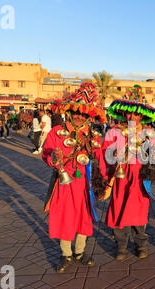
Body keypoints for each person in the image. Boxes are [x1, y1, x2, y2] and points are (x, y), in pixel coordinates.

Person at [42, 83, 107, 273]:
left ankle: (80, 252)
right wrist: (53, 158)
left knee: (83, 217)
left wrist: (102, 183)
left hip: (84, 185)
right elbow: (46, 154)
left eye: (83, 114)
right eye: (76, 112)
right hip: (63, 184)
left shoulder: (93, 136)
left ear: (88, 116)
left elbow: (100, 161)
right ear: (69, 112)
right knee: (64, 217)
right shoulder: (56, 132)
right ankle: (65, 254)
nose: (79, 117)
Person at [102, 85, 155, 261]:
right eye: (129, 113)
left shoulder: (149, 133)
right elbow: (105, 154)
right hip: (121, 178)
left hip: (140, 179)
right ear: (125, 113)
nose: (132, 117)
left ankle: (141, 244)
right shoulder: (115, 131)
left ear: (141, 115)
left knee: (140, 212)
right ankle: (121, 246)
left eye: (135, 114)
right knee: (119, 209)